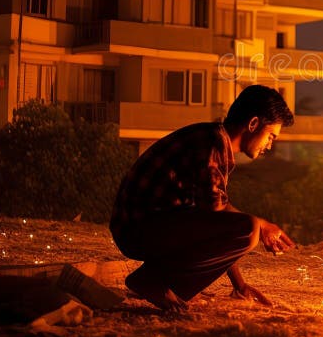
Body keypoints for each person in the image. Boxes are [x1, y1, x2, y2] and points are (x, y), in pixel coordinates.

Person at [110, 85, 295, 311]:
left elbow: (217, 227)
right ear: (253, 124)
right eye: (271, 136)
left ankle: (158, 282)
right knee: (250, 228)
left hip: (148, 226)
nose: (270, 145)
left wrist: (240, 285)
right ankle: (152, 282)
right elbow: (219, 216)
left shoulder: (215, 140)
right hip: (138, 228)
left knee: (247, 228)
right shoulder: (212, 143)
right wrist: (262, 224)